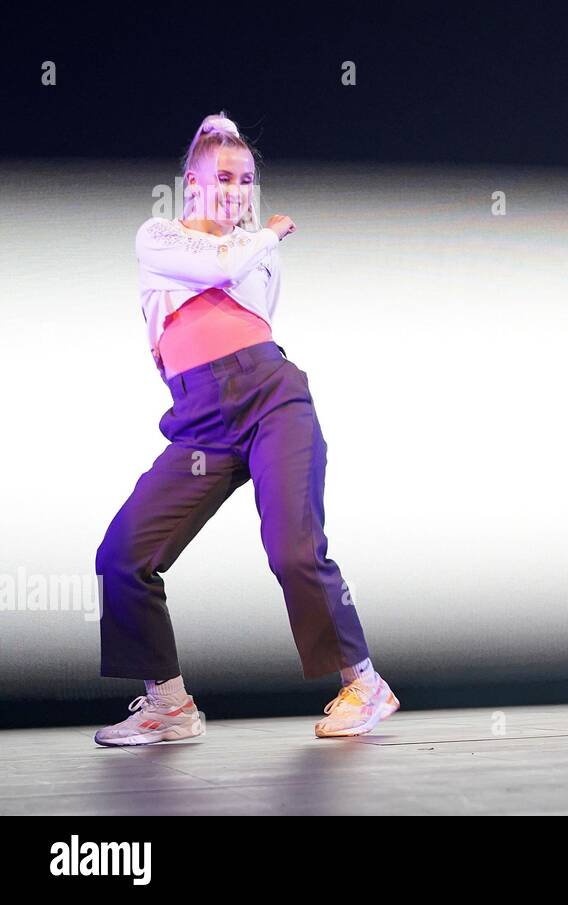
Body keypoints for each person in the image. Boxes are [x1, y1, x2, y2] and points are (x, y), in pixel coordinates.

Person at [93, 113, 398, 746]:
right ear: (193, 183)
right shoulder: (160, 236)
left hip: (270, 398)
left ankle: (364, 683)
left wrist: (259, 242)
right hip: (201, 420)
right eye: (224, 177)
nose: (237, 191)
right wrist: (272, 232)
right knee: (122, 555)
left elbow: (252, 312)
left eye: (248, 180)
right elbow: (218, 268)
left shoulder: (256, 257)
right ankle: (169, 706)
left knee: (293, 547)